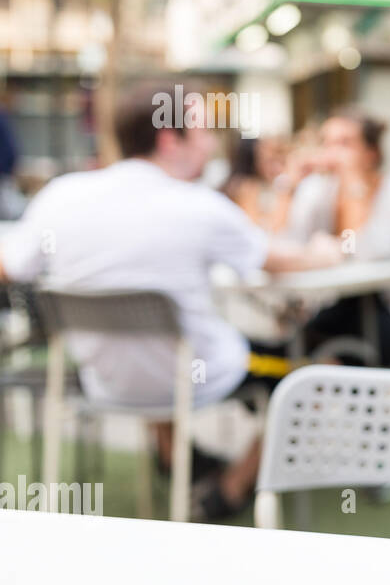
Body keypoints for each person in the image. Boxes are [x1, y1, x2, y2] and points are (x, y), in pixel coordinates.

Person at [0, 85, 341, 519]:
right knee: (312, 371)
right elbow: (279, 261)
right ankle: (231, 488)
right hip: (197, 377)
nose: (212, 143)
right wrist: (327, 250)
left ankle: (183, 460)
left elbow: (9, 265)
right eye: (202, 131)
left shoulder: (61, 195)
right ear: (168, 139)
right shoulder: (200, 206)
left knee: (153, 347)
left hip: (106, 379)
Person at [283, 108, 390, 365]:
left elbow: (372, 254)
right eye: (327, 143)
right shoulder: (323, 190)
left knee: (323, 337)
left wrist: (354, 187)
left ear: (371, 152)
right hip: (340, 305)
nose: (334, 152)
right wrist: (292, 184)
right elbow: (294, 241)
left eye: (345, 143)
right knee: (296, 340)